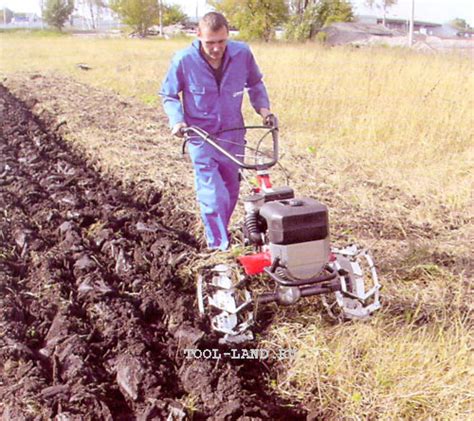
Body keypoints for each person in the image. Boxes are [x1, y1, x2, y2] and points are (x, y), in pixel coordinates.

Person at [160, 12, 275, 251]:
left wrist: (264, 111)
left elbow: (255, 83)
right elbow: (169, 94)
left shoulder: (242, 54)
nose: (216, 48)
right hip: (201, 138)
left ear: (228, 36)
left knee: (231, 192)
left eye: (221, 42)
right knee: (214, 195)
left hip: (233, 137)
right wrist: (177, 121)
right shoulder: (184, 60)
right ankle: (219, 247)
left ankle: (221, 235)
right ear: (198, 35)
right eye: (210, 42)